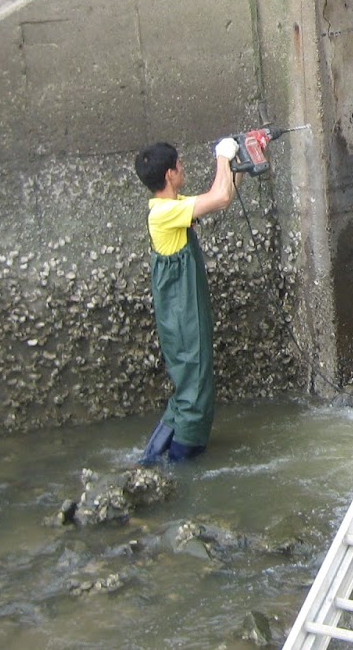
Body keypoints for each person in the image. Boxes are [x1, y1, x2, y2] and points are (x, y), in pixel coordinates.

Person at [133, 138, 239, 465]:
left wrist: (238, 163)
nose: (183, 169)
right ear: (169, 174)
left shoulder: (173, 207)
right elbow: (219, 198)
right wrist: (223, 154)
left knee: (189, 381)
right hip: (181, 313)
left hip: (184, 310)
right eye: (179, 165)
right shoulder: (165, 213)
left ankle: (151, 459)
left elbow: (221, 197)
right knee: (195, 384)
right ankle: (181, 463)